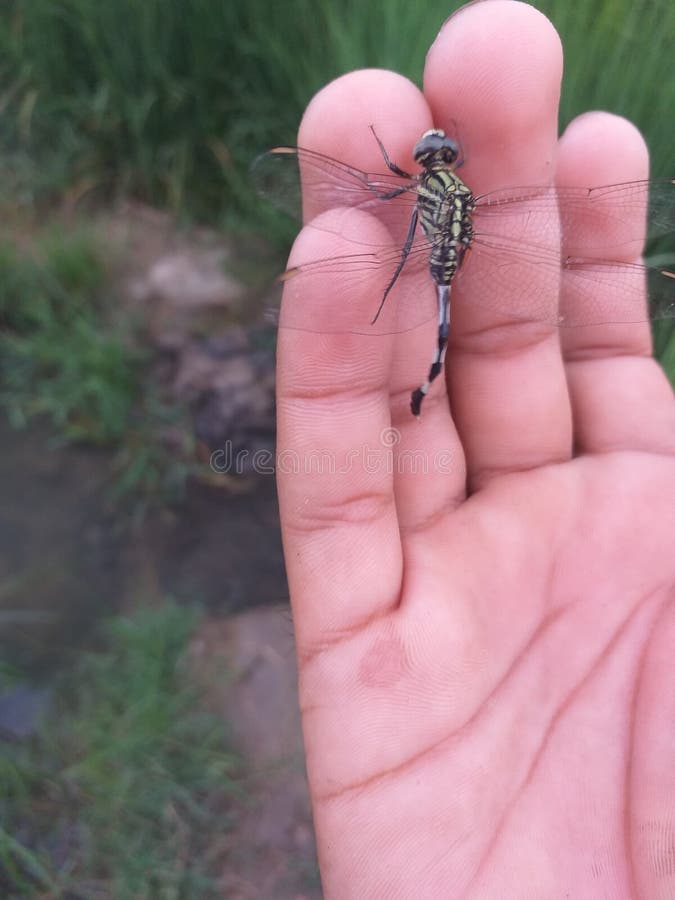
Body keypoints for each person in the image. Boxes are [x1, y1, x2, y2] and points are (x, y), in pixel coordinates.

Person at [275, 2, 675, 896]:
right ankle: (426, 373)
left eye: (433, 155)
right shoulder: (461, 197)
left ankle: (427, 376)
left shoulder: (420, 192)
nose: (432, 159)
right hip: (460, 271)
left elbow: (389, 193)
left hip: (438, 277)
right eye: (432, 155)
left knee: (399, 282)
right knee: (422, 296)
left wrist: (381, 177)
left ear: (432, 164)